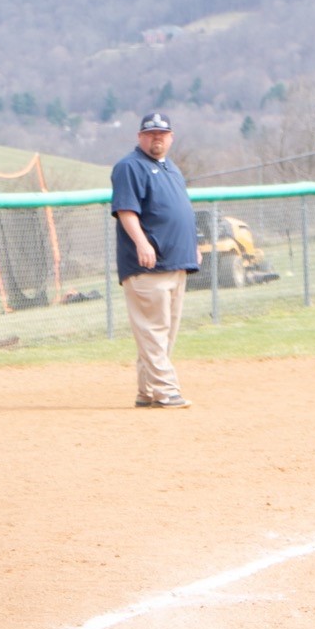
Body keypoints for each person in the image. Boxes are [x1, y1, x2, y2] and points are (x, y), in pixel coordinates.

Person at [112, 112, 199, 409]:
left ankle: (147, 390)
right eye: (151, 134)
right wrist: (141, 242)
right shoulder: (129, 167)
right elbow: (126, 210)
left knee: (164, 333)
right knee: (152, 330)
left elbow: (180, 211)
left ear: (171, 137)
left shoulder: (172, 169)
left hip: (177, 261)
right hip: (148, 265)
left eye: (162, 134)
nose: (157, 138)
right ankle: (165, 391)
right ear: (140, 137)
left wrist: (193, 244)